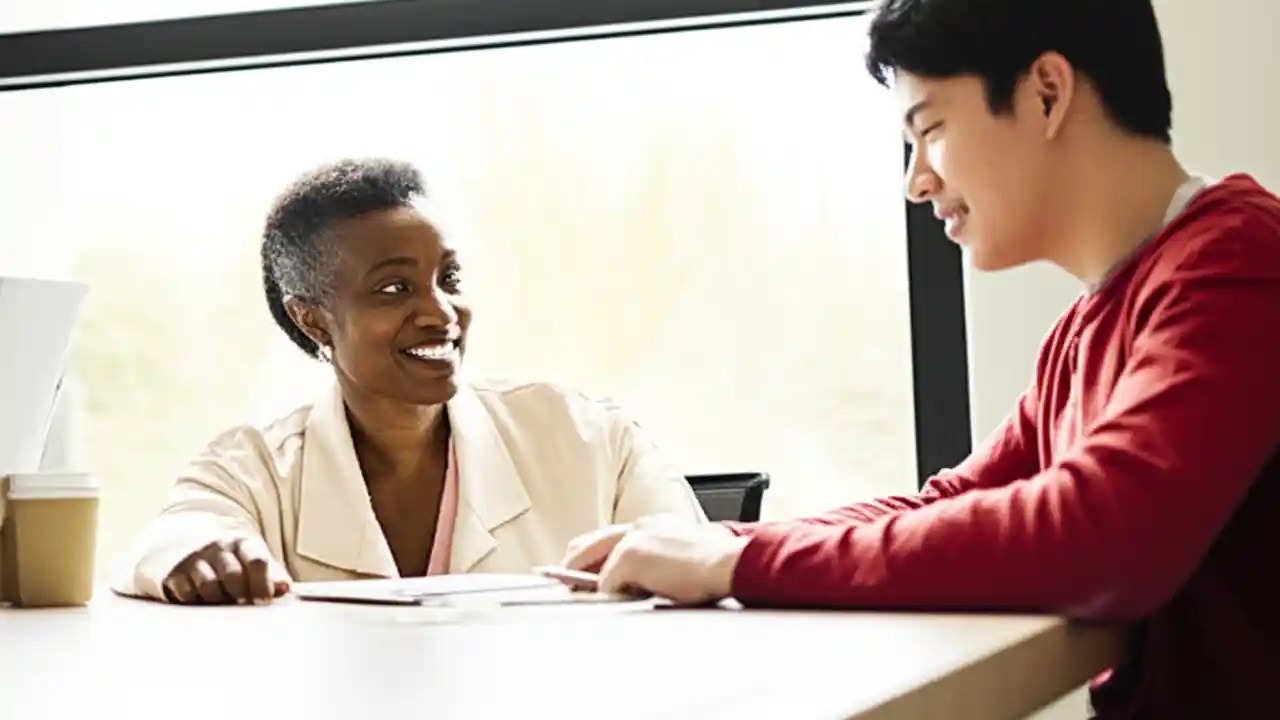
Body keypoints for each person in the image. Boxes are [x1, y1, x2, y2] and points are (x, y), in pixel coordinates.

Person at [561, 1, 1280, 716]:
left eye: (929, 129)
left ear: (1047, 94)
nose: (917, 181)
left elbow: (1104, 532)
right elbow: (954, 505)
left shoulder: (1240, 264)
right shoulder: (1089, 325)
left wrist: (737, 564)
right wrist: (712, 544)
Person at [113, 158, 705, 605]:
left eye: (447, 278)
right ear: (312, 317)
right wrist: (196, 552)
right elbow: (176, 533)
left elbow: (700, 563)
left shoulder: (589, 437)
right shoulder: (253, 466)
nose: (440, 311)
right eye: (395, 288)